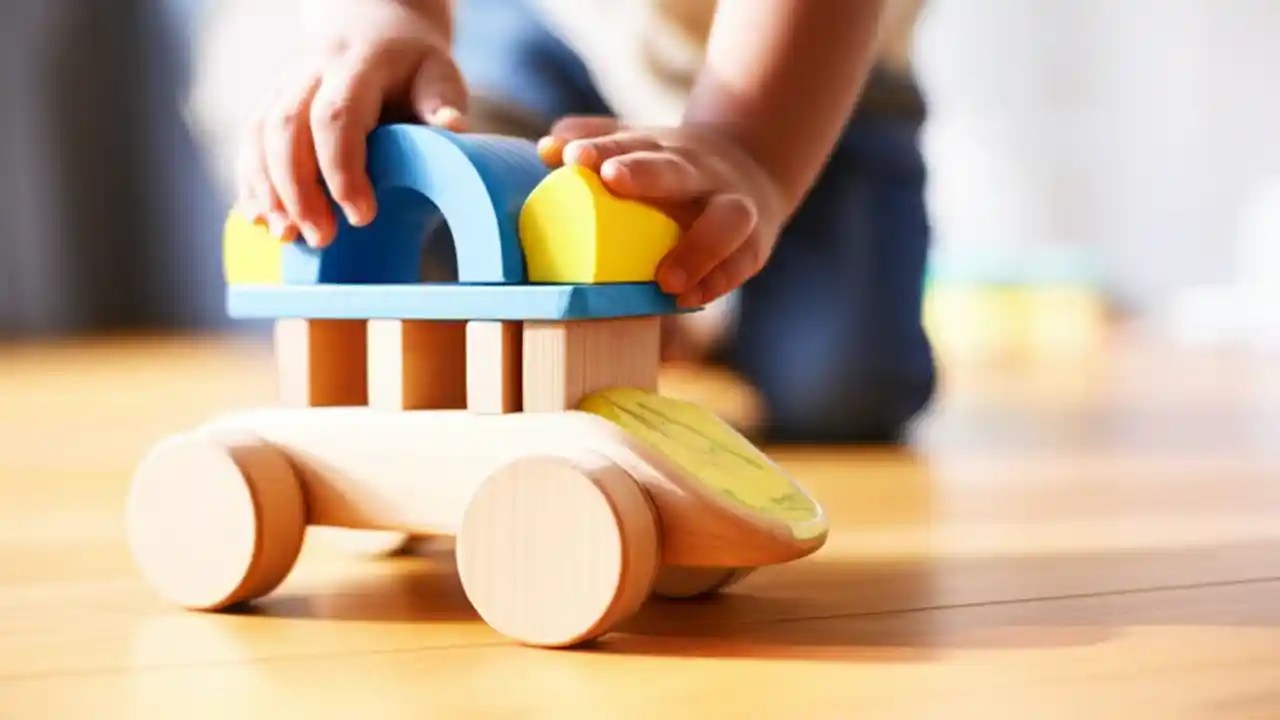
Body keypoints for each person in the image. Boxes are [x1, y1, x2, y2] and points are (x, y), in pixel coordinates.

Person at [194, 0, 935, 444]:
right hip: (552, 33)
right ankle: (640, 301)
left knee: (842, 387)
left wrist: (753, 157)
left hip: (808, 85)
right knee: (415, 230)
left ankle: (687, 311)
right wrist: (384, 20)